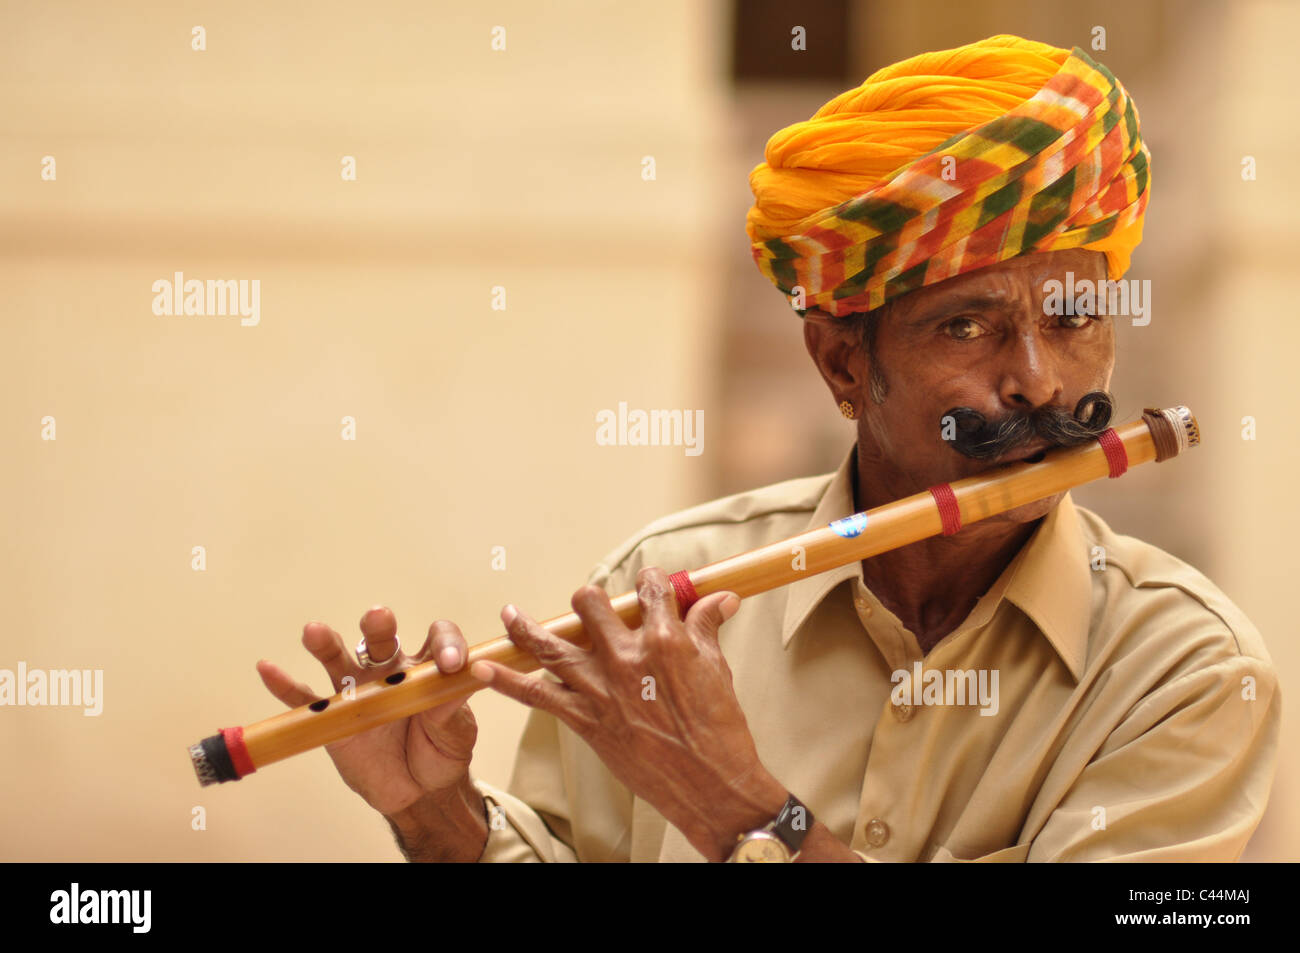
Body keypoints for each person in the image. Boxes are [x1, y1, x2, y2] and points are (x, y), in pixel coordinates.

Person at [257, 35, 1280, 862]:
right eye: (966, 327)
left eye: (1071, 319)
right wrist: (435, 815)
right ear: (842, 364)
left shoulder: (1184, 670)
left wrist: (730, 801)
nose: (1038, 380)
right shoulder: (667, 593)